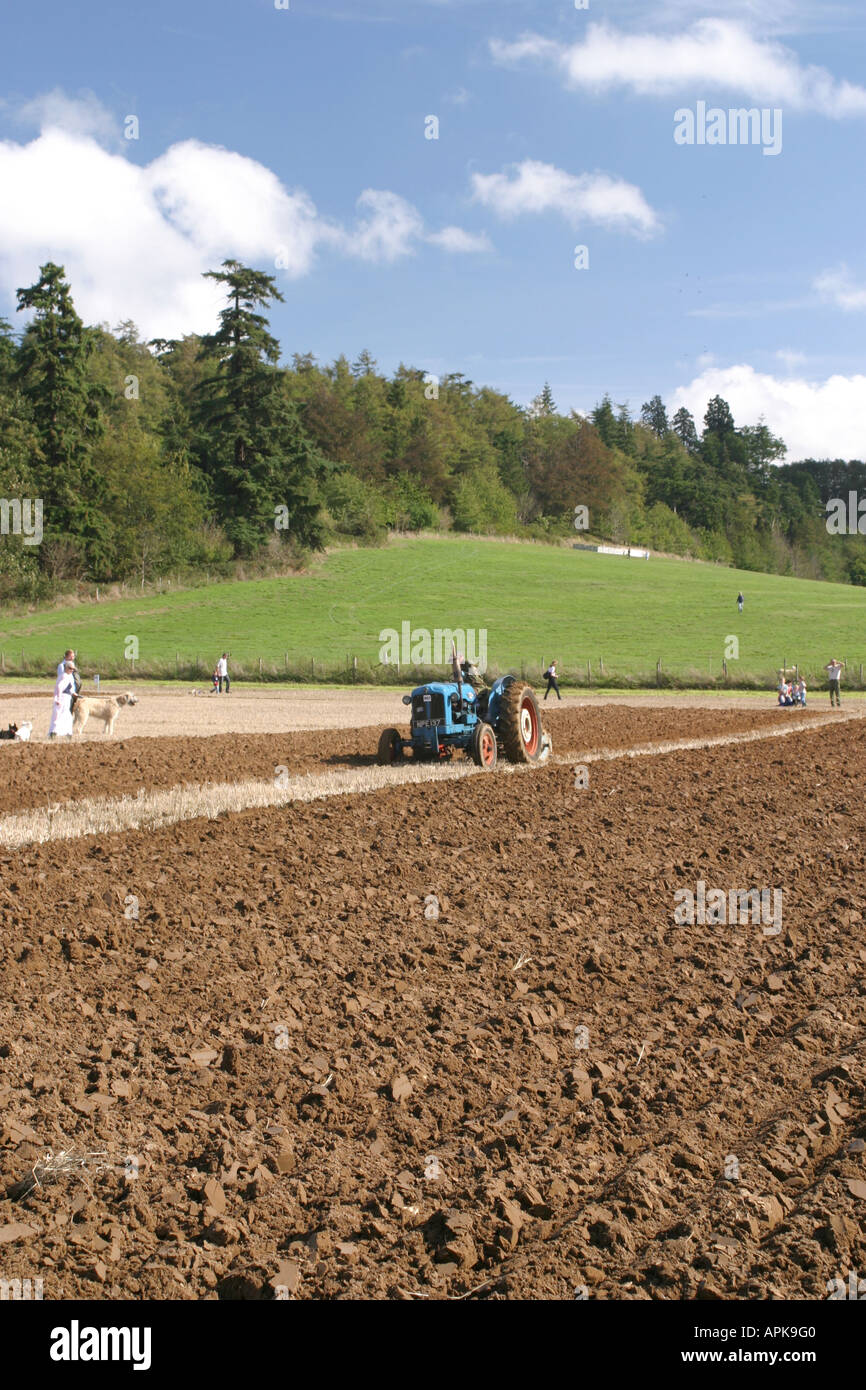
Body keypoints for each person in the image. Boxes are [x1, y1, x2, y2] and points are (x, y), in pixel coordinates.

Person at [48, 660, 77, 739]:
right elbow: (59, 688)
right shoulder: (64, 676)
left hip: (66, 699)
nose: (72, 670)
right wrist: (58, 699)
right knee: (58, 716)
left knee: (67, 716)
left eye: (73, 669)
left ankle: (67, 733)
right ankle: (53, 733)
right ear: (66, 668)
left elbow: (69, 689)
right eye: (70, 668)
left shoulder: (68, 676)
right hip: (62, 698)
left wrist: (74, 694)